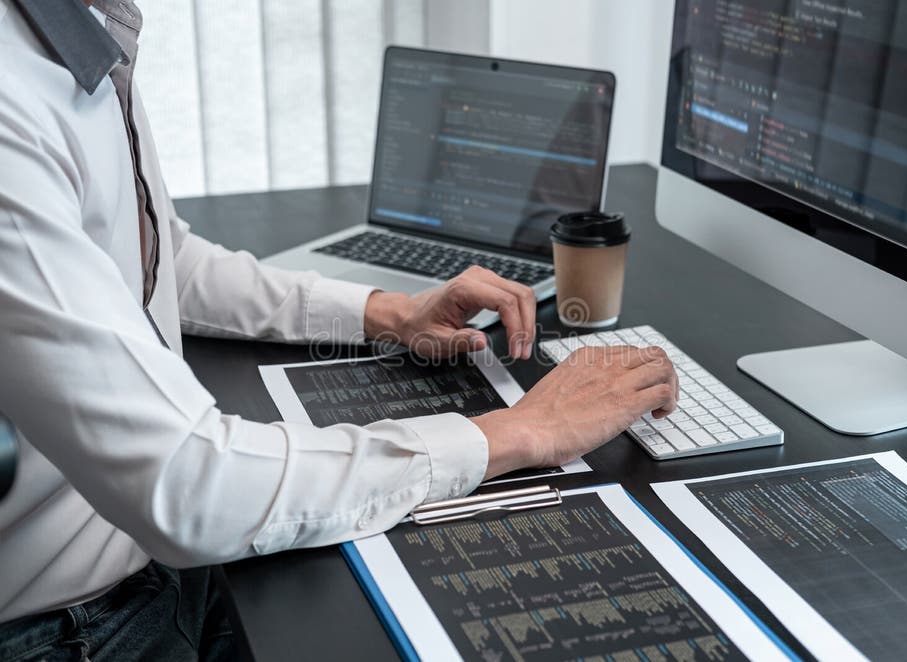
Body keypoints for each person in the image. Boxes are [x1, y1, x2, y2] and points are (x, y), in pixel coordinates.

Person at [0, 0, 678, 659]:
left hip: (145, 571)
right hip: (73, 627)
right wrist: (519, 431)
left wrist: (388, 312)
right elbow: (187, 483)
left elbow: (161, 258)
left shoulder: (91, 25)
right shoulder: (12, 104)